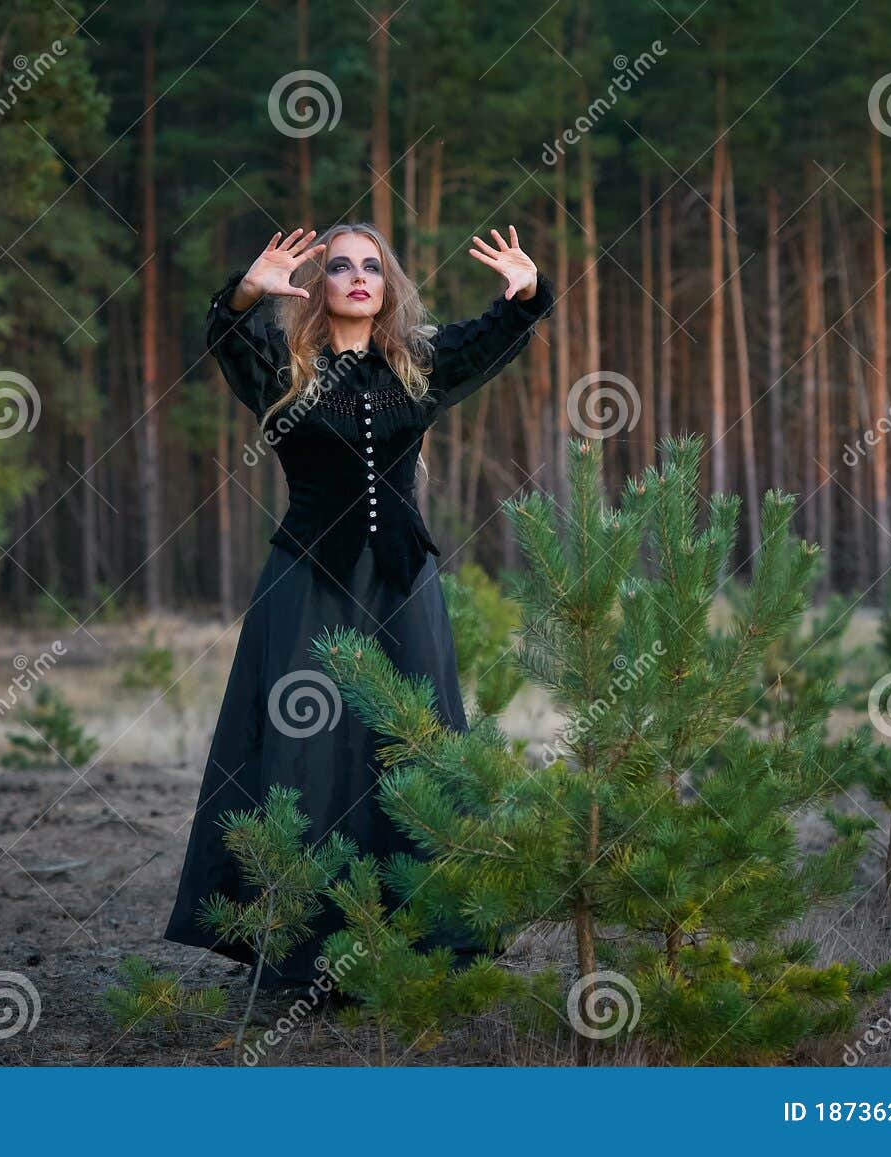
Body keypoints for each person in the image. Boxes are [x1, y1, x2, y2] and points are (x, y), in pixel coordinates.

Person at [163, 222, 555, 989]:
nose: (356, 276)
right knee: (304, 750)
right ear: (318, 286)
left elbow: (503, 332)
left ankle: (420, 931)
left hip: (403, 584)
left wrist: (527, 289)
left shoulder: (419, 366)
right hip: (308, 581)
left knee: (413, 745)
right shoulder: (284, 368)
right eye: (339, 266)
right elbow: (226, 336)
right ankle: (300, 943)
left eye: (371, 266)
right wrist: (246, 289)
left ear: (388, 285)